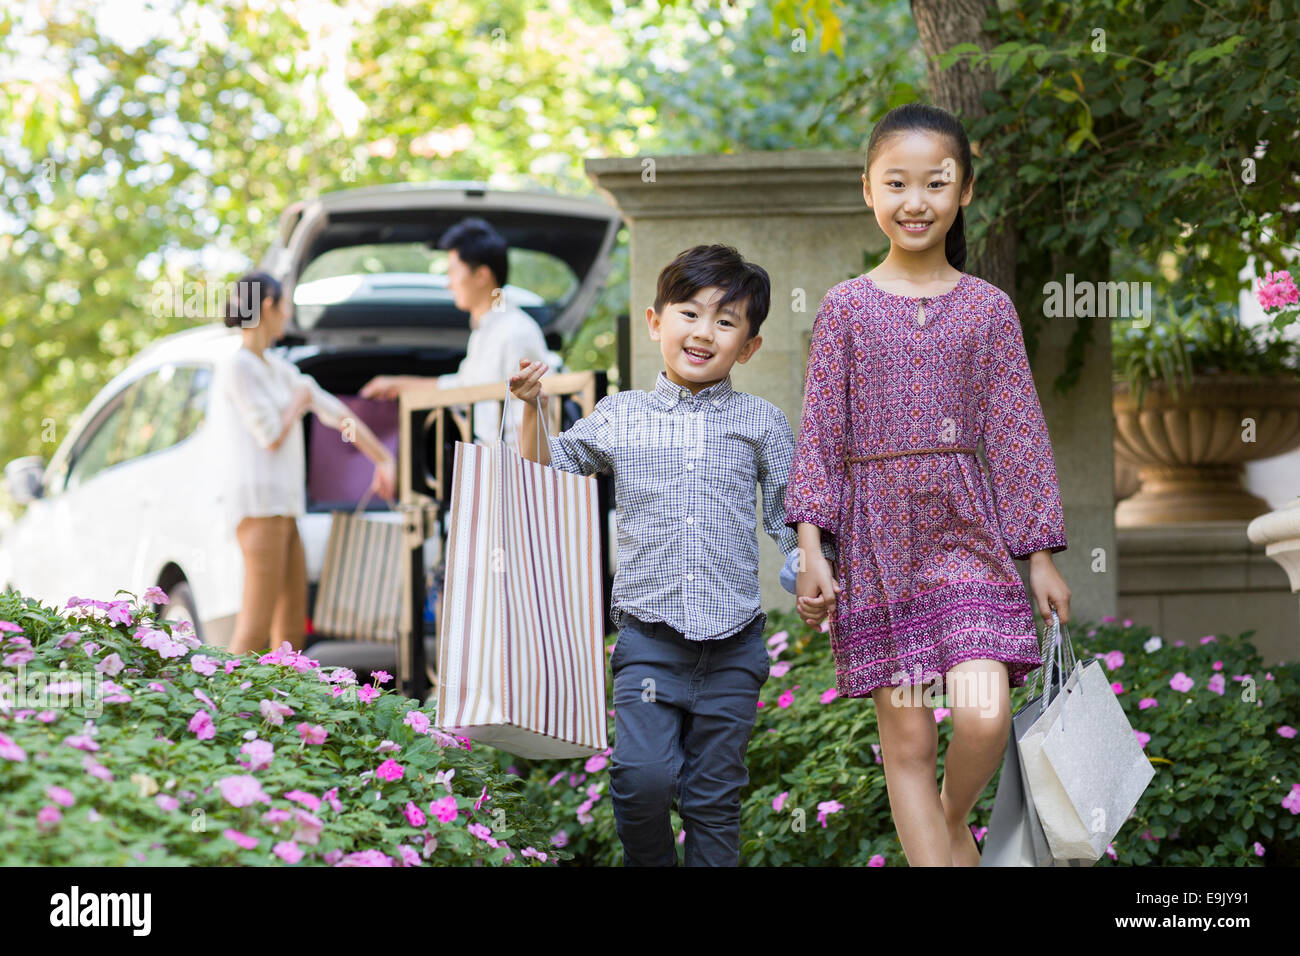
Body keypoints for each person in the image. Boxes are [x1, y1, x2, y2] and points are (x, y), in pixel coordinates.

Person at [784, 102, 1072, 868]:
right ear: (869, 192)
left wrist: (1039, 552)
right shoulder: (845, 308)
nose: (917, 201)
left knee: (982, 715)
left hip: (965, 536)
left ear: (965, 192)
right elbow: (820, 434)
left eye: (936, 183)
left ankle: (950, 824)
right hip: (877, 543)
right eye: (898, 183)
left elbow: (1016, 434)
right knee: (908, 737)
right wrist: (812, 546)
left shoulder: (989, 310)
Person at [508, 244, 807, 867]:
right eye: (690, 314)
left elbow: (789, 518)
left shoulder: (762, 423)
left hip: (733, 649)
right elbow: (546, 473)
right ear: (655, 322)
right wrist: (529, 409)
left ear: (748, 346)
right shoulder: (620, 416)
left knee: (712, 800)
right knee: (640, 783)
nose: (704, 333)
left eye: (726, 322)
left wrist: (809, 570)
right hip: (649, 644)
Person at [218, 271, 397, 656]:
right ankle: (223, 713)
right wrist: (297, 403)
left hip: (286, 510)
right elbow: (269, 435)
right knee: (254, 628)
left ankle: (283, 711)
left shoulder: (278, 369)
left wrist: (384, 459)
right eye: (285, 306)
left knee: (290, 630)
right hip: (259, 511)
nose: (288, 315)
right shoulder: (239, 367)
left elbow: (337, 414)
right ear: (268, 306)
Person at [360, 216, 561, 447]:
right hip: (489, 465)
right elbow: (462, 387)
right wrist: (396, 385)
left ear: (481, 276)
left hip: (510, 473)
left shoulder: (516, 332)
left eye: (453, 271)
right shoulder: (485, 331)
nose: (448, 283)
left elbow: (531, 417)